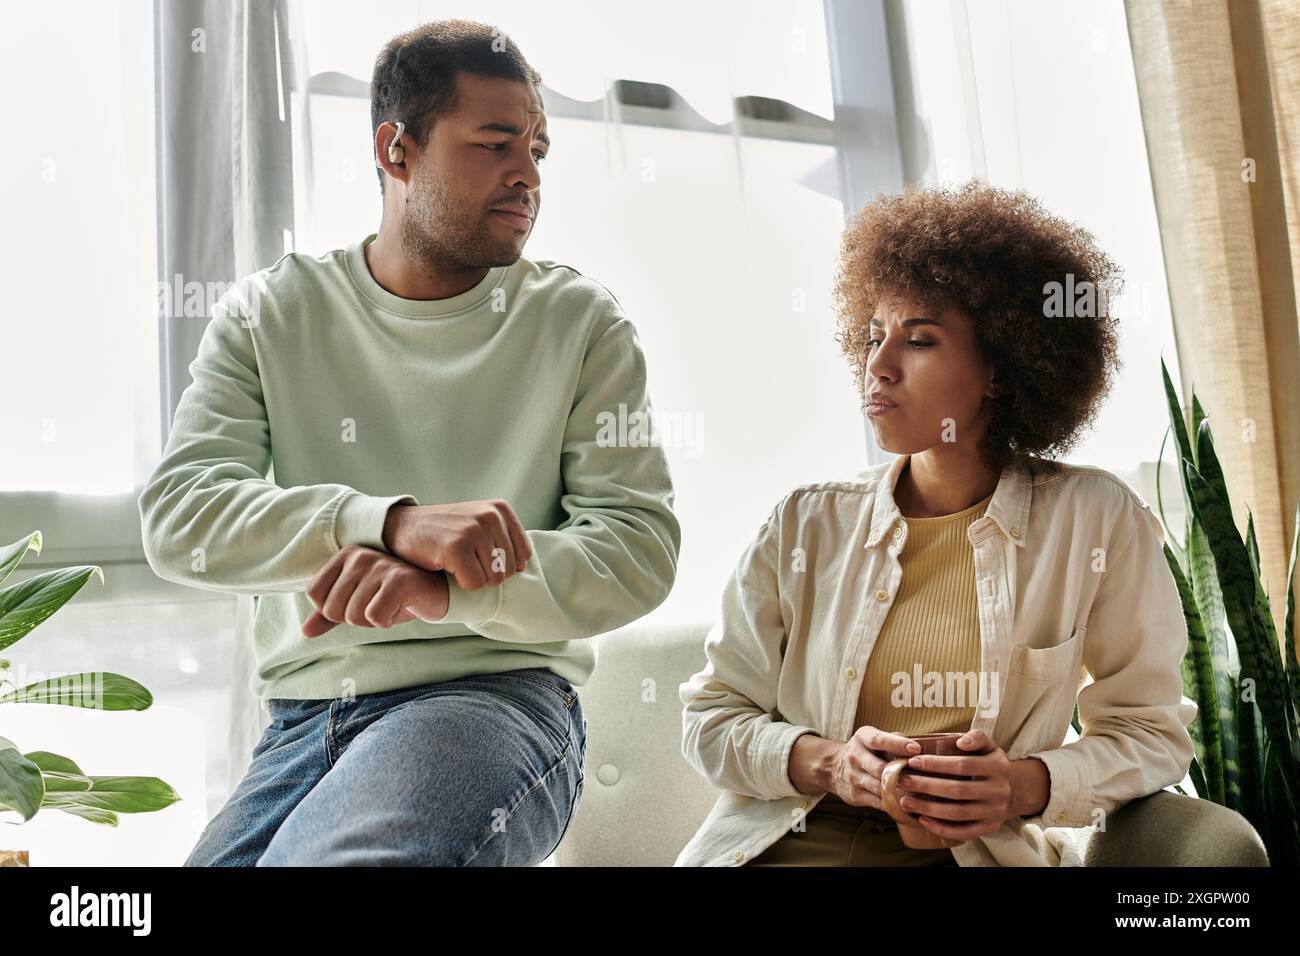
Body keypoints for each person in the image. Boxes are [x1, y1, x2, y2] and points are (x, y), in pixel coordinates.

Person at [138, 19, 680, 866]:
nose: (529, 175)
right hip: (298, 727)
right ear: (397, 151)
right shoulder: (268, 314)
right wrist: (385, 523)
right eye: (496, 143)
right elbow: (182, 520)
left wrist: (443, 590)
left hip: (495, 699)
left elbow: (637, 549)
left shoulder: (580, 324)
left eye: (538, 148)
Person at [675, 180, 1197, 866]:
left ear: (1001, 371)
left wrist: (1022, 786)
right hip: (784, 847)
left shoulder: (1095, 521)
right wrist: (832, 765)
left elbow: (1151, 732)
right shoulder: (807, 522)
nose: (879, 367)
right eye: (872, 337)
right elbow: (710, 719)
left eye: (918, 340)